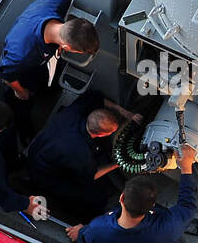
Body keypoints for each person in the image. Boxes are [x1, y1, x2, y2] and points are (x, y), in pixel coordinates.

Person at [66, 145, 197, 243]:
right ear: (152, 206)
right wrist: (186, 168)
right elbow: (187, 205)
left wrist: (81, 232)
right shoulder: (168, 228)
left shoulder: (98, 228)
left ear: (121, 197)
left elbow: (79, 235)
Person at [26, 90, 140, 218]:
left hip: (38, 148)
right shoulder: (80, 152)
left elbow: (96, 98)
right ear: (101, 134)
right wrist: (117, 163)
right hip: (45, 175)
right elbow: (93, 174)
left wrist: (125, 113)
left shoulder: (76, 111)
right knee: (92, 196)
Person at [0, 0, 100, 101]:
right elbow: (6, 73)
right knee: (21, 103)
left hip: (40, 62)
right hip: (19, 73)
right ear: (67, 47)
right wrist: (20, 91)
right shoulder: (22, 53)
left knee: (45, 83)